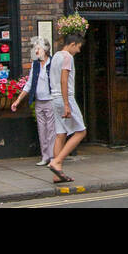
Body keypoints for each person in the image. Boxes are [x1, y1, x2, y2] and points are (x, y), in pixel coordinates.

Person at [47, 30, 86, 182]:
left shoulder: (55, 56)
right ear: (72, 44)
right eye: (78, 47)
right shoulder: (67, 57)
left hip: (53, 98)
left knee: (60, 133)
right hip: (65, 98)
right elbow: (64, 80)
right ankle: (56, 162)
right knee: (81, 131)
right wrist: (66, 104)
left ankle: (57, 174)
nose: (79, 50)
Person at [12, 35, 55, 166]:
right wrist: (18, 100)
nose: (37, 51)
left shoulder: (52, 63)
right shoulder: (35, 64)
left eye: (39, 48)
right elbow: (29, 84)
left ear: (46, 49)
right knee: (42, 130)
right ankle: (45, 156)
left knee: (51, 131)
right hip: (39, 101)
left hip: (51, 100)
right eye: (36, 48)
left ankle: (53, 158)